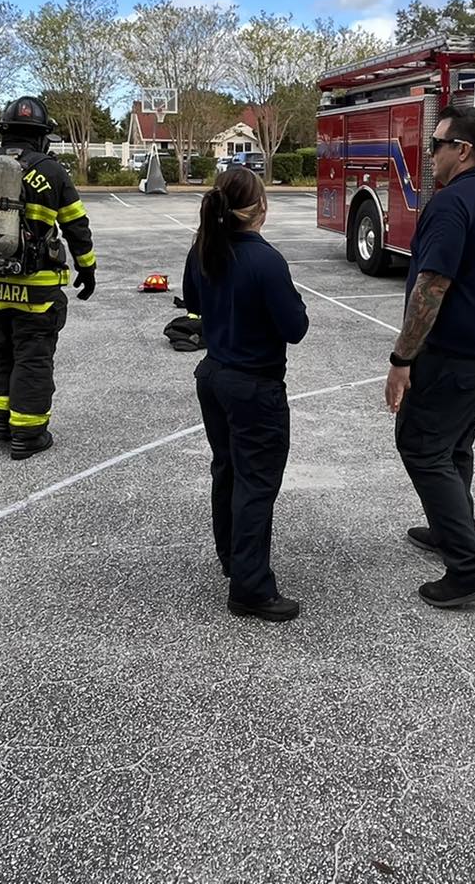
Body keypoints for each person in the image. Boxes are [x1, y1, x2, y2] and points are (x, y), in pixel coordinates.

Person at [384, 104, 475, 609]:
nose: (429, 154)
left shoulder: (450, 204)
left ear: (461, 149)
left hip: (454, 357)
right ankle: (449, 529)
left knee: (421, 445)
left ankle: (470, 567)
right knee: (455, 446)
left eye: (436, 144)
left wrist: (402, 358)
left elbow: (432, 287)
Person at [183, 167, 309, 623]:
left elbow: (194, 304)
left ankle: (233, 558)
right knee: (256, 483)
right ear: (260, 208)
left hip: (215, 376)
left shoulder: (204, 249)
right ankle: (250, 588)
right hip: (254, 385)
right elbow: (295, 328)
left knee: (229, 470)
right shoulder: (265, 260)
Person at [0, 97, 97, 459]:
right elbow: (76, 225)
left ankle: (0, 419)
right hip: (36, 291)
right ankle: (27, 434)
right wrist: (87, 267)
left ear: (3, 132)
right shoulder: (53, 172)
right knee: (33, 354)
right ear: (42, 137)